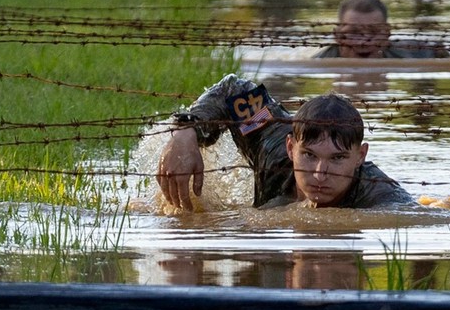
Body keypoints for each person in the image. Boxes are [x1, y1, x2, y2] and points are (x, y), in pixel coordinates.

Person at [156, 74, 414, 211]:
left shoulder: (379, 194)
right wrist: (185, 131)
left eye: (337, 158)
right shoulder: (270, 138)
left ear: (360, 157)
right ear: (291, 148)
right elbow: (232, 90)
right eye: (309, 155)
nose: (319, 174)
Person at [313, 0, 450, 59]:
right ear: (337, 35)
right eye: (354, 32)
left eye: (374, 32)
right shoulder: (318, 63)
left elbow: (440, 51)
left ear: (387, 34)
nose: (364, 41)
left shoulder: (416, 52)